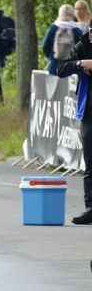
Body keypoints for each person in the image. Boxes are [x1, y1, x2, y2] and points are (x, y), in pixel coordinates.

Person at [56, 30, 92, 224]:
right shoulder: (83, 44)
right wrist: (80, 64)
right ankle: (90, 208)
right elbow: (60, 69)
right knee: (90, 162)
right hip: (89, 112)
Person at [42, 4, 84, 76]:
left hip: (54, 66)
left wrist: (52, 57)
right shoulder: (77, 30)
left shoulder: (54, 28)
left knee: (53, 86)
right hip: (72, 67)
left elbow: (45, 46)